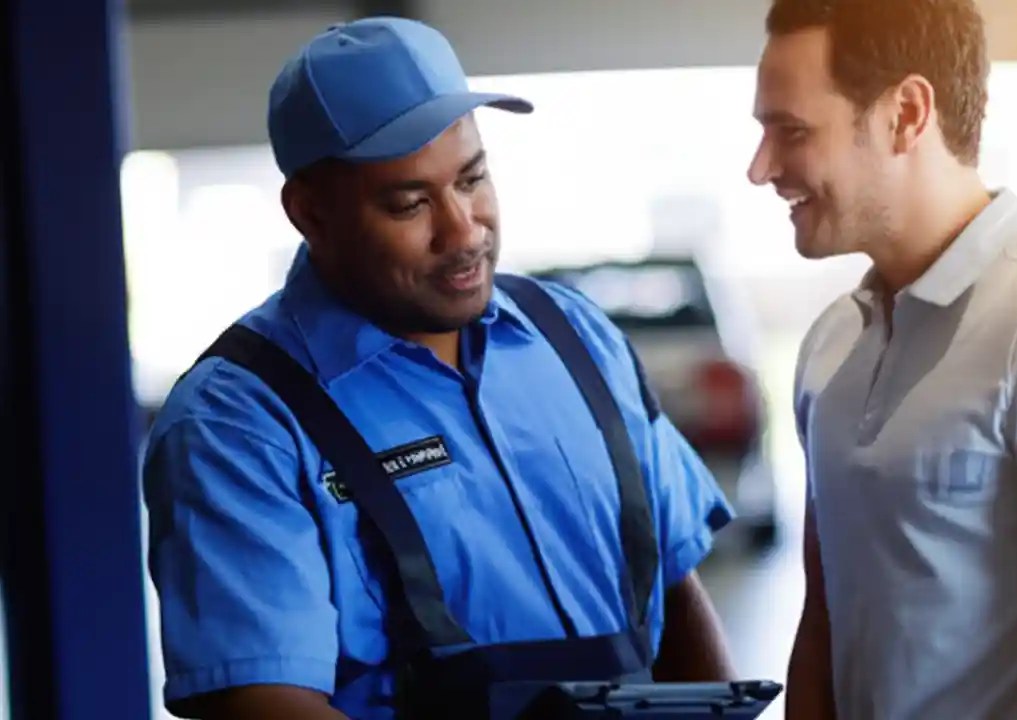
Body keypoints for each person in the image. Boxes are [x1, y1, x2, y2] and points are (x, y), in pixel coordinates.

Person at [142, 16, 737, 720]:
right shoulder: (240, 424)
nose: (463, 230)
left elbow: (671, 582)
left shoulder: (575, 338)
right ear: (310, 213)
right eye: (410, 203)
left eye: (473, 178)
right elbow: (260, 704)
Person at [747, 0, 1017, 718]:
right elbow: (826, 624)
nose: (760, 167)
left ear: (906, 115)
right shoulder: (832, 345)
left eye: (792, 131)